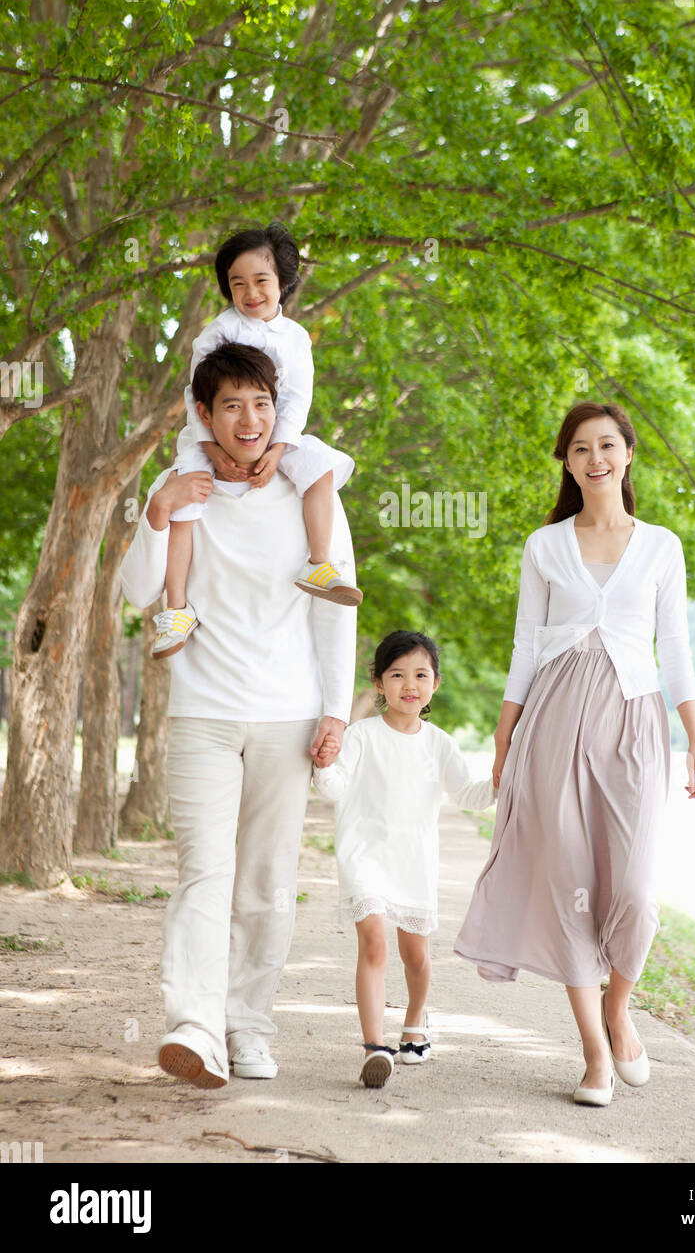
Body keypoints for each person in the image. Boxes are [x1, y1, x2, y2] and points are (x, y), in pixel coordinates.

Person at [454, 401, 695, 1107]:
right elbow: (525, 647)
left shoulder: (662, 546)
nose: (594, 458)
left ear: (628, 454)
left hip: (632, 726)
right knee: (565, 881)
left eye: (606, 445)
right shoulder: (545, 546)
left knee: (633, 894)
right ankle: (594, 1054)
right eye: (579, 448)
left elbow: (676, 648)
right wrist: (504, 734)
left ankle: (618, 1008)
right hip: (552, 725)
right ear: (567, 463)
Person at [119, 341, 357, 1088]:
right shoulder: (179, 485)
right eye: (230, 405)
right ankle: (194, 1026)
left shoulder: (307, 485)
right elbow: (136, 592)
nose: (248, 419)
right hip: (203, 714)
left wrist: (336, 712)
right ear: (203, 414)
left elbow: (335, 609)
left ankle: (247, 1026)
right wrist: (156, 513)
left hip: (288, 717)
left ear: (275, 408)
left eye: (260, 403)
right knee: (204, 873)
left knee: (264, 882)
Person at [153, 220, 361, 660]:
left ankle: (318, 563)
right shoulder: (218, 332)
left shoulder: (297, 338)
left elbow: (298, 396)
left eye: (261, 281)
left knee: (320, 469)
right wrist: (209, 447)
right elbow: (197, 396)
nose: (250, 293)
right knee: (187, 504)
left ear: (283, 280)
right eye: (237, 283)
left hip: (275, 434)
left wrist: (281, 448)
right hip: (213, 435)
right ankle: (176, 609)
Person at [312, 631, 495, 1089]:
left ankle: (416, 1018)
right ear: (378, 682)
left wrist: (500, 776)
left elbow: (469, 796)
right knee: (374, 940)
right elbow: (333, 788)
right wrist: (323, 763)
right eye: (397, 674)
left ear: (436, 683)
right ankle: (376, 1047)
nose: (409, 684)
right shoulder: (361, 736)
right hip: (364, 855)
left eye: (420, 674)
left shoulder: (439, 744)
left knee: (416, 955)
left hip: (413, 860)